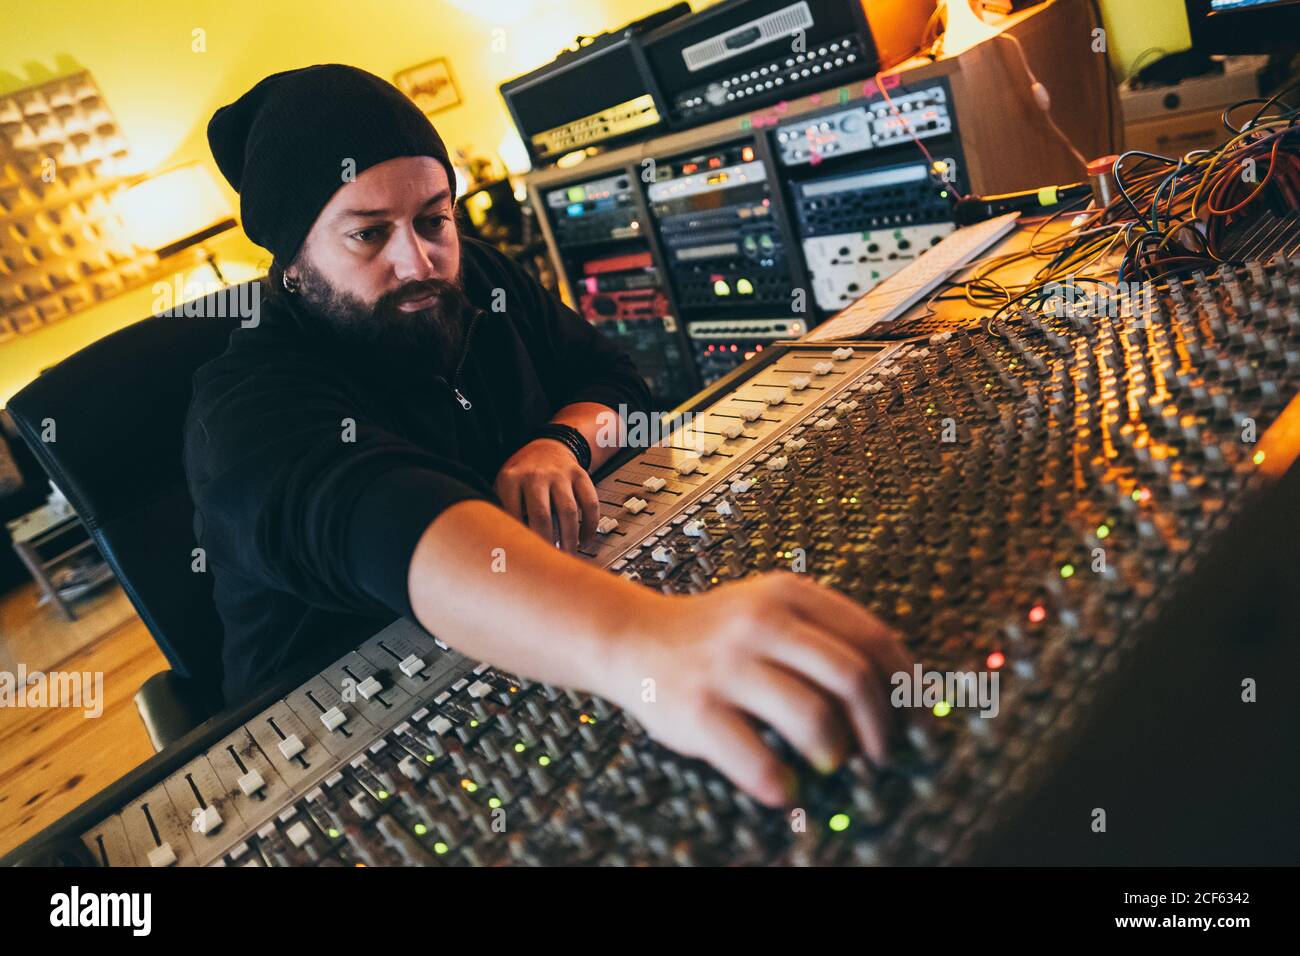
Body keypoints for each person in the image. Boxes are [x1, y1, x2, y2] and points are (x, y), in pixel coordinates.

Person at [186, 64, 914, 807]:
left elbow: (622, 386)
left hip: (551, 631)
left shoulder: (481, 277)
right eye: (370, 235)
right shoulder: (243, 407)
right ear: (293, 261)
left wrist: (561, 442)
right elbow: (383, 519)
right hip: (349, 746)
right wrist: (640, 641)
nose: (419, 261)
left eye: (435, 219)